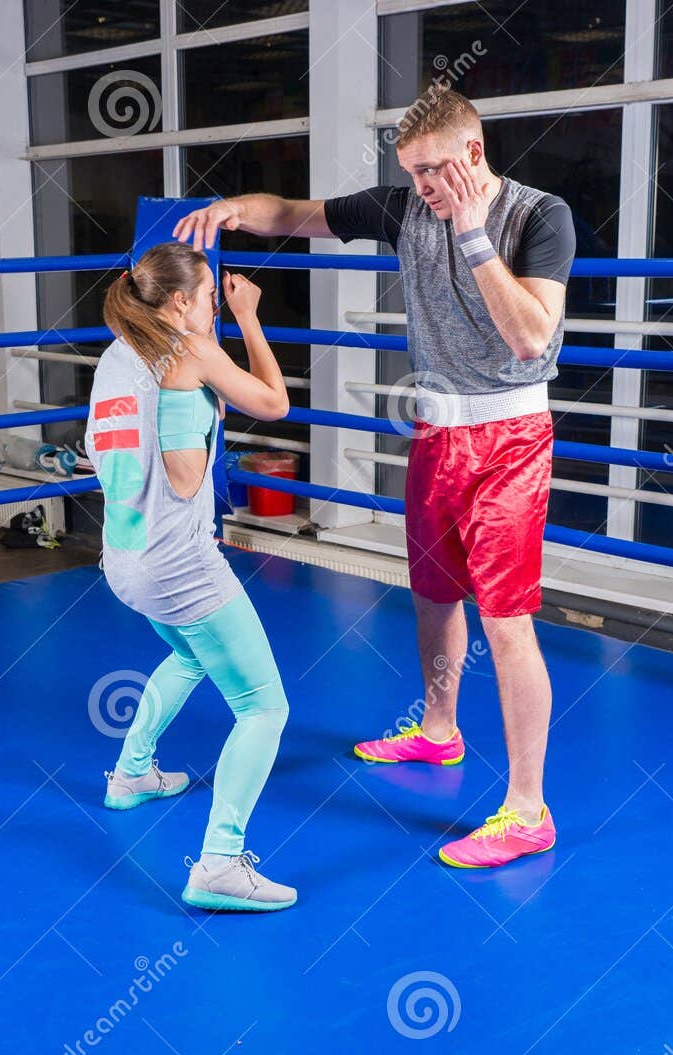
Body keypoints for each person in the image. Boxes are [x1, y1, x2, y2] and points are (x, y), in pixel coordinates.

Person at [174, 85, 573, 870]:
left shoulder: (538, 215)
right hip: (436, 432)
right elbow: (293, 212)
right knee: (431, 593)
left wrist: (471, 236)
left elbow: (531, 337)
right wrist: (230, 210)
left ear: (474, 153)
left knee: (507, 621)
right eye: (412, 173)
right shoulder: (403, 209)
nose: (423, 187)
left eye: (433, 171)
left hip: (510, 436)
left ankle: (528, 810)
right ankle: (437, 728)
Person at [85, 241, 298, 912]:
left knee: (189, 653)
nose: (217, 306)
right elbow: (274, 402)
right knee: (265, 707)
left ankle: (131, 771)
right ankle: (219, 863)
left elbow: (155, 460)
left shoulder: (117, 355)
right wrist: (249, 317)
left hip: (123, 556)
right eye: (209, 297)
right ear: (180, 301)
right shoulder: (189, 352)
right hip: (179, 568)